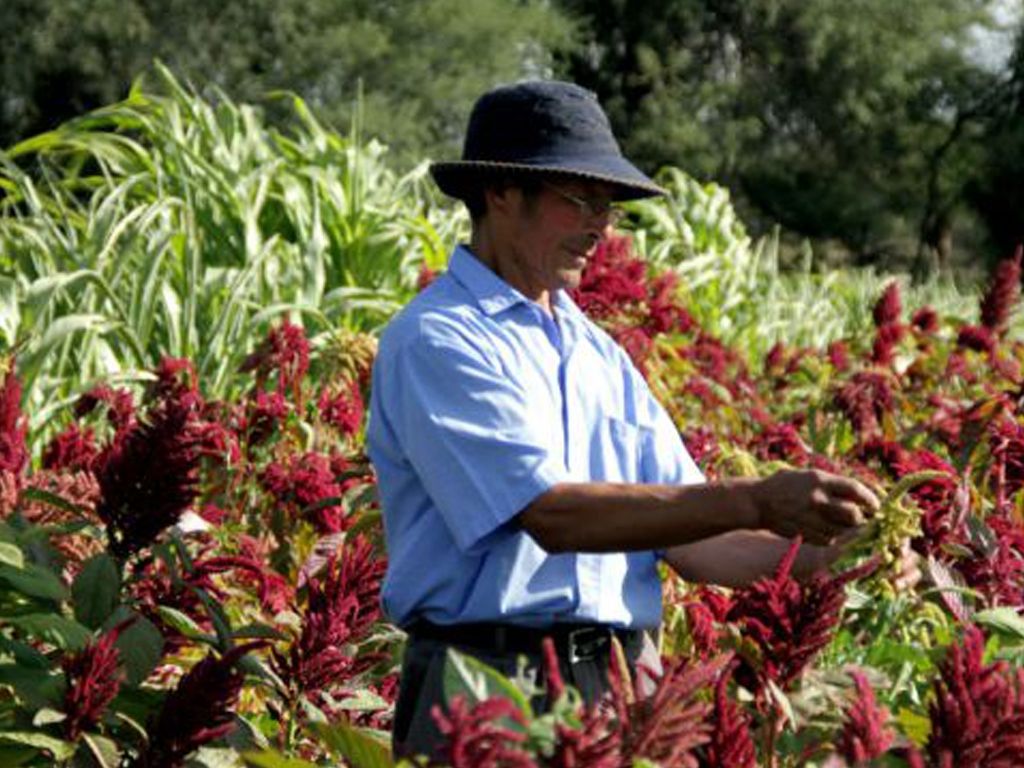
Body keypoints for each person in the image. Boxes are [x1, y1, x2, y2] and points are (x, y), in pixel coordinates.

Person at [367, 80, 889, 759]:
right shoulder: (441, 339)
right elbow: (553, 515)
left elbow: (697, 546)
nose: (600, 227)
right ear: (500, 192)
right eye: (579, 200)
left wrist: (834, 557)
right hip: (488, 686)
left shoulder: (594, 352)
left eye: (609, 207)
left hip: (618, 687)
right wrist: (760, 496)